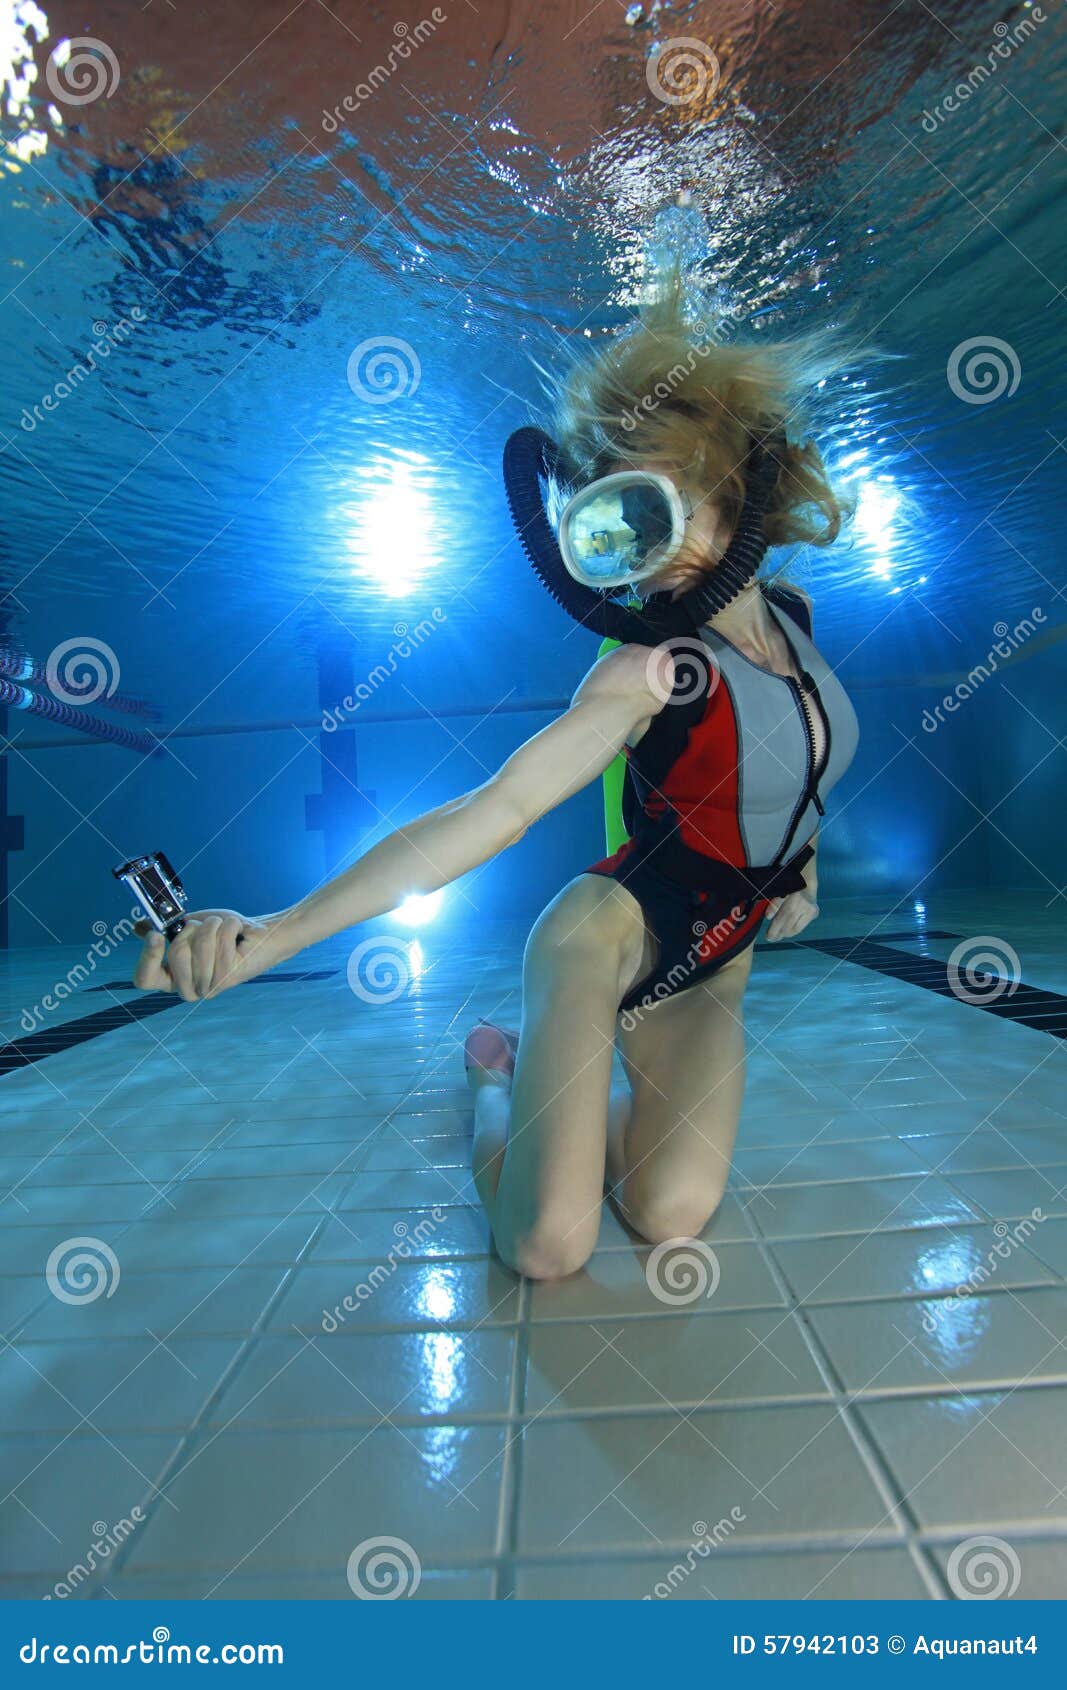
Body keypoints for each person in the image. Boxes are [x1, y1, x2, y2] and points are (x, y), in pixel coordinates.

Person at [131, 285, 859, 1281]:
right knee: (545, 1248)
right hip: (603, 943)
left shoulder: (794, 613)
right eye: (603, 536)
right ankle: (492, 1084)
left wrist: (801, 872)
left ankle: (561, 1097)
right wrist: (276, 935)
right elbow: (497, 810)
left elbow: (792, 765)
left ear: (729, 499)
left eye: (642, 517)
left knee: (667, 1212)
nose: (629, 567)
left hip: (713, 970)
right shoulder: (644, 670)